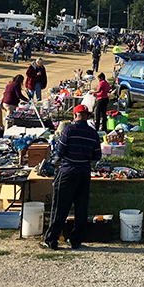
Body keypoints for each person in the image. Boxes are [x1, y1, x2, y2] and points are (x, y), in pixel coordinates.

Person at [42, 104, 102, 250]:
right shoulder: (93, 133)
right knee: (81, 208)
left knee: (60, 207)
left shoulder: (68, 130)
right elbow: (97, 155)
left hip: (68, 172)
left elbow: (60, 152)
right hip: (84, 173)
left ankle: (51, 240)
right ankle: (76, 240)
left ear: (75, 116)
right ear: (87, 116)